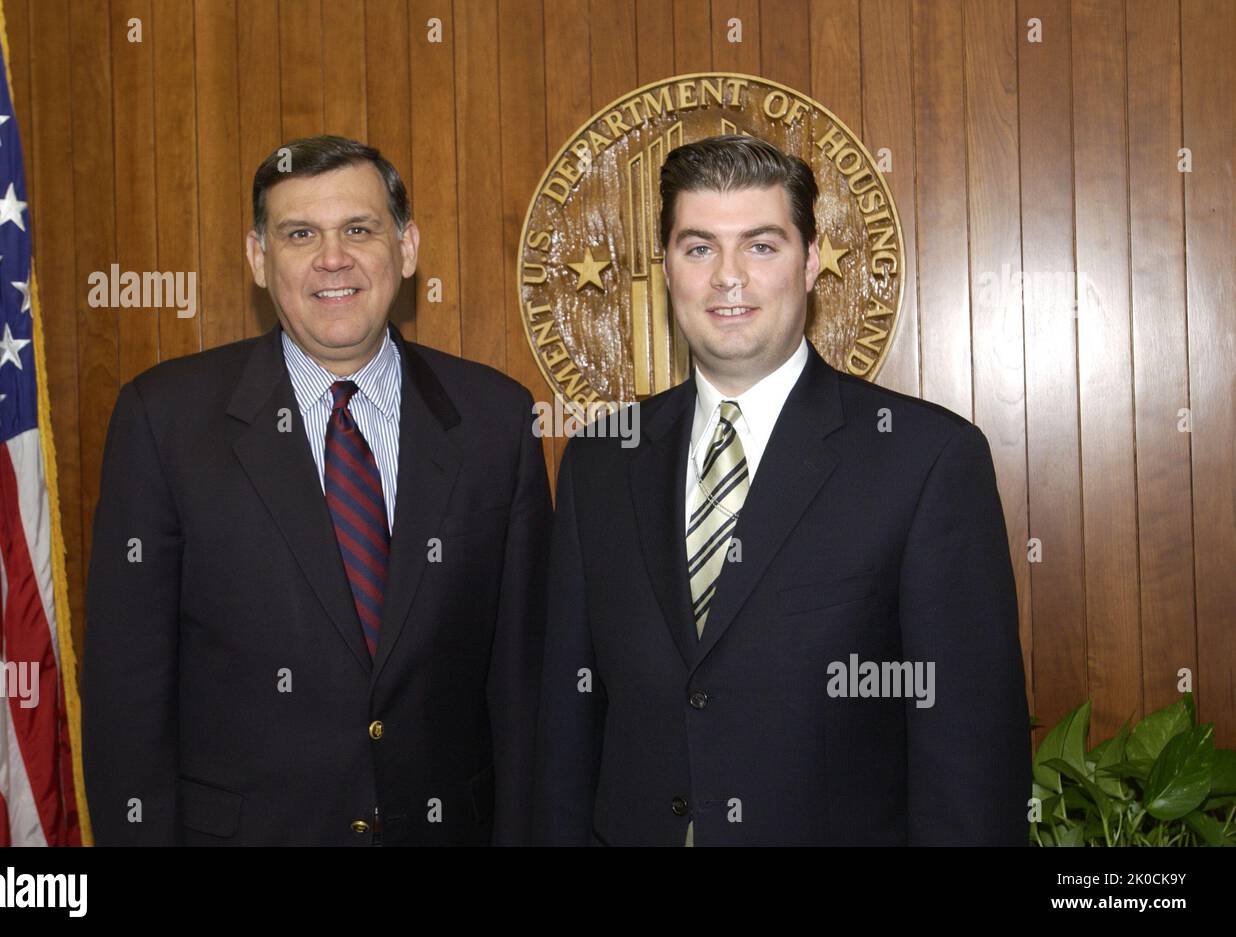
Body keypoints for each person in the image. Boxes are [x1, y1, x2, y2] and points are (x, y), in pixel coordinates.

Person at [534, 134, 1030, 845]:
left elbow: (970, 758)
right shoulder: (599, 461)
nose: (727, 277)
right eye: (698, 247)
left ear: (811, 260)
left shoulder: (926, 462)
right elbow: (567, 731)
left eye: (761, 246)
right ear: (666, 267)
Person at [83, 135, 550, 845]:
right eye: (300, 234)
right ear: (258, 259)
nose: (333, 258)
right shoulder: (164, 420)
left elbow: (524, 691)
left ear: (408, 247)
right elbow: (127, 700)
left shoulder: (496, 419)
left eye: (358, 229)